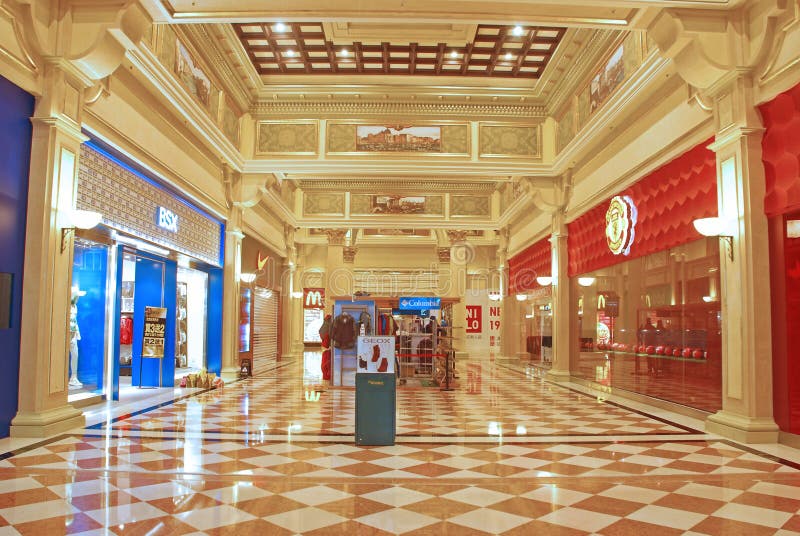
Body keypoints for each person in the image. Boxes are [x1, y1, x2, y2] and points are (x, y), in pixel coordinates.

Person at [69, 286, 86, 389]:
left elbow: (74, 321)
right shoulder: (65, 306)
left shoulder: (74, 306)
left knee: (75, 355)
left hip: (73, 334)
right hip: (66, 333)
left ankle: (73, 377)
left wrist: (77, 332)